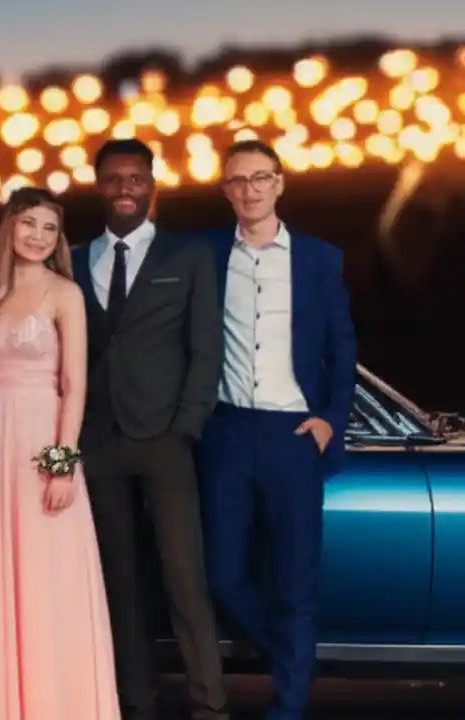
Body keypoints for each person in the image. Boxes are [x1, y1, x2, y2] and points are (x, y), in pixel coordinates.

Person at [70, 138, 227, 720]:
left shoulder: (187, 256)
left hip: (165, 439)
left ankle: (210, 705)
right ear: (99, 186)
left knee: (184, 580)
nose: (125, 189)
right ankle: (136, 704)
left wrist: (186, 428)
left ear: (152, 185)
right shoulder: (73, 258)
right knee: (121, 583)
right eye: (113, 179)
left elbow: (206, 348)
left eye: (135, 178)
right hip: (99, 442)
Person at [199, 140, 357, 720]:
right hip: (227, 432)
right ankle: (294, 658)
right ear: (226, 191)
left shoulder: (319, 258)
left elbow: (342, 348)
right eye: (238, 181)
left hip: (294, 435)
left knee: (295, 584)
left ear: (280, 182)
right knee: (222, 577)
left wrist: (330, 421)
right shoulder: (206, 254)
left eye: (260, 177)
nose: (250, 190)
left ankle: (287, 707)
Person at [0, 187, 119, 719]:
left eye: (49, 228)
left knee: (47, 573)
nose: (38, 236)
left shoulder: (64, 294)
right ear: (10, 226)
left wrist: (61, 466)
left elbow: (74, 386)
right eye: (29, 223)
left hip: (41, 439)